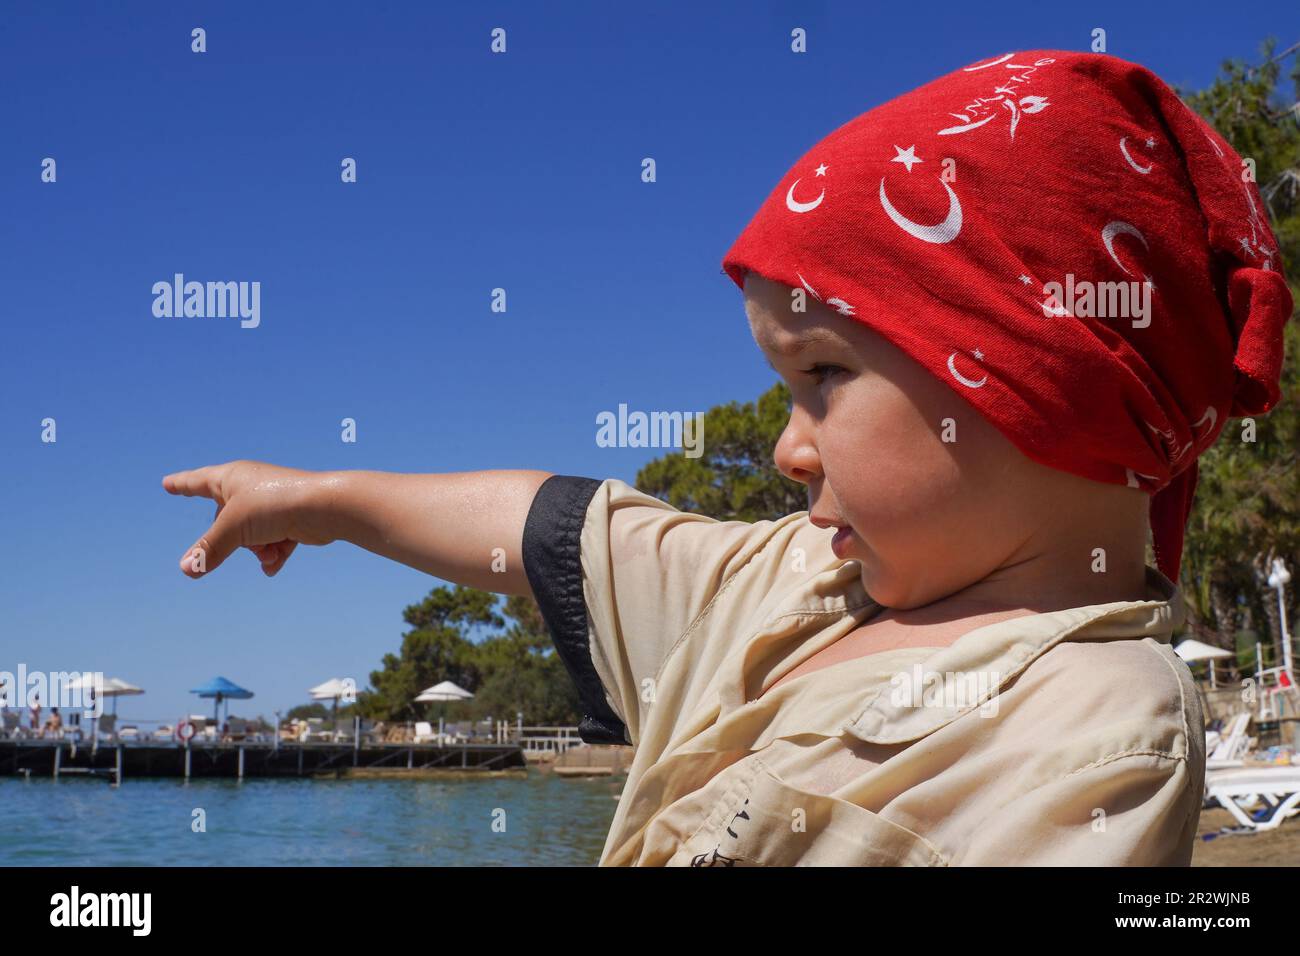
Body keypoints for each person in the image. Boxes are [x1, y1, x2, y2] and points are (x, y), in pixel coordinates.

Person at [161, 50, 1292, 865]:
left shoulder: (1093, 726)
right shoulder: (794, 581)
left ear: (1033, 375)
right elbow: (552, 526)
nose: (784, 446)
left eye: (821, 377)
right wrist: (323, 497)